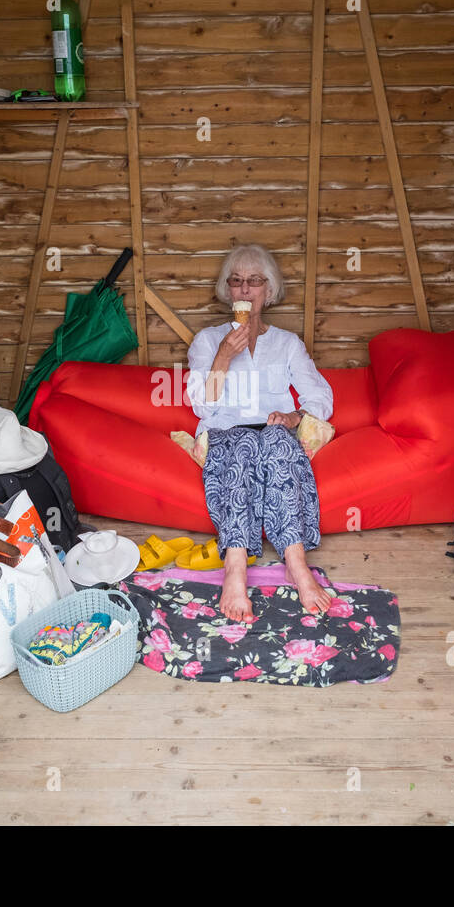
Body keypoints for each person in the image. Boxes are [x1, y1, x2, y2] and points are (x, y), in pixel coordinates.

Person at [185, 244, 334, 623]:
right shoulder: (207, 341)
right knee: (243, 440)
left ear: (269, 291)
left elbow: (321, 397)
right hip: (225, 434)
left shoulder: (286, 344)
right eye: (236, 282)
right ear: (227, 291)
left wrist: (293, 415)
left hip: (274, 434)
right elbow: (202, 406)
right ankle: (235, 569)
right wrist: (222, 356)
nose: (245, 290)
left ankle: (296, 565)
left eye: (254, 282)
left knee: (272, 440)